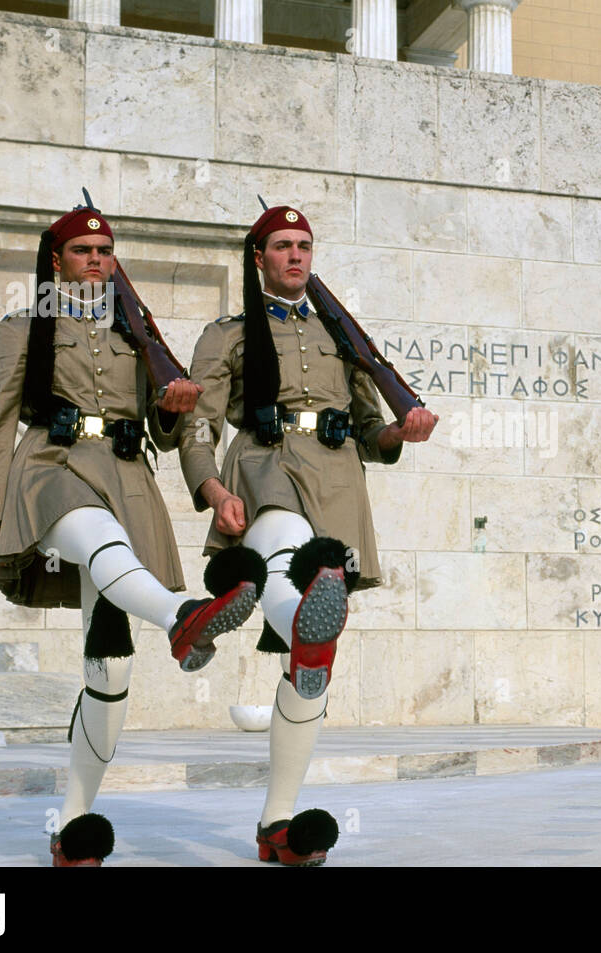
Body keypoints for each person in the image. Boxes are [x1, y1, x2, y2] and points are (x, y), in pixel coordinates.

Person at [0, 207, 266, 866]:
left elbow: (165, 434)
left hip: (129, 480)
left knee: (111, 665)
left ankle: (75, 823)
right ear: (56, 260)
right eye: (82, 250)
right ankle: (182, 618)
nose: (96, 261)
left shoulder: (137, 340)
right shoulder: (22, 330)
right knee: (99, 538)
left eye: (105, 250)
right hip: (53, 469)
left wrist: (170, 409)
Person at [177, 205, 437, 865]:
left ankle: (277, 826)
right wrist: (211, 487)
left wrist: (400, 434)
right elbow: (200, 423)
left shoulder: (339, 333)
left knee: (314, 668)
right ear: (259, 257)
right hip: (265, 469)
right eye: (283, 247)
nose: (296, 256)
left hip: (339, 482)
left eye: (305, 246)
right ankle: (303, 616)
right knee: (292, 564)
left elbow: (371, 433)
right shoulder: (229, 331)